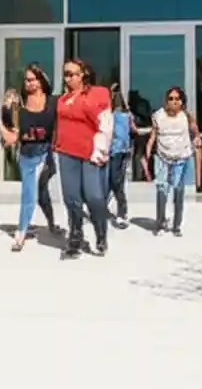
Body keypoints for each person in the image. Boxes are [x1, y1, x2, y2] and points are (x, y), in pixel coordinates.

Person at [54, 58, 112, 258]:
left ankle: (101, 233)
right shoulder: (62, 100)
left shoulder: (99, 94)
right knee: (71, 197)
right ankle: (75, 235)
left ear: (83, 75)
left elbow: (104, 122)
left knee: (94, 196)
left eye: (72, 74)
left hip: (89, 152)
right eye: (66, 74)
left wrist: (103, 149)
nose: (68, 78)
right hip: (66, 151)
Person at [1, 63, 59, 252]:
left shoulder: (53, 103)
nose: (29, 83)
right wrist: (2, 113)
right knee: (37, 192)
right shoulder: (19, 106)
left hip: (46, 153)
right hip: (26, 154)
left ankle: (21, 232)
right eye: (26, 80)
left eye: (32, 79)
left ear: (41, 80)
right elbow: (12, 135)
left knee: (31, 193)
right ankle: (49, 222)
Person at [143, 86, 202, 237]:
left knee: (178, 192)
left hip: (181, 158)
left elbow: (196, 135)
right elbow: (153, 136)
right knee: (162, 191)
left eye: (177, 99)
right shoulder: (158, 116)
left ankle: (176, 225)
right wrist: (148, 153)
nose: (174, 102)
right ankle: (160, 223)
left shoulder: (187, 117)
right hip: (162, 157)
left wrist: (196, 147)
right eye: (171, 99)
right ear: (166, 101)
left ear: (182, 101)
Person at [104, 84, 135, 228]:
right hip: (124, 151)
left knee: (113, 182)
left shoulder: (112, 116)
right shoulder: (128, 116)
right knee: (116, 181)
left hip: (115, 152)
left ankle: (121, 212)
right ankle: (107, 208)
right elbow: (133, 130)